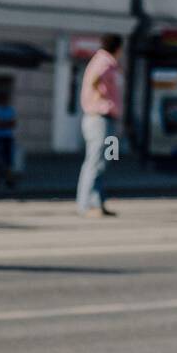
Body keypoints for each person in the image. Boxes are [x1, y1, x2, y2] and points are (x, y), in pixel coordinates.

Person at [76, 33, 124, 218]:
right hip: (100, 118)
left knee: (105, 159)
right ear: (118, 47)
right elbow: (95, 80)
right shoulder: (105, 61)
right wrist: (98, 97)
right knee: (96, 161)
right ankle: (87, 204)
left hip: (106, 119)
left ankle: (98, 202)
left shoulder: (103, 60)